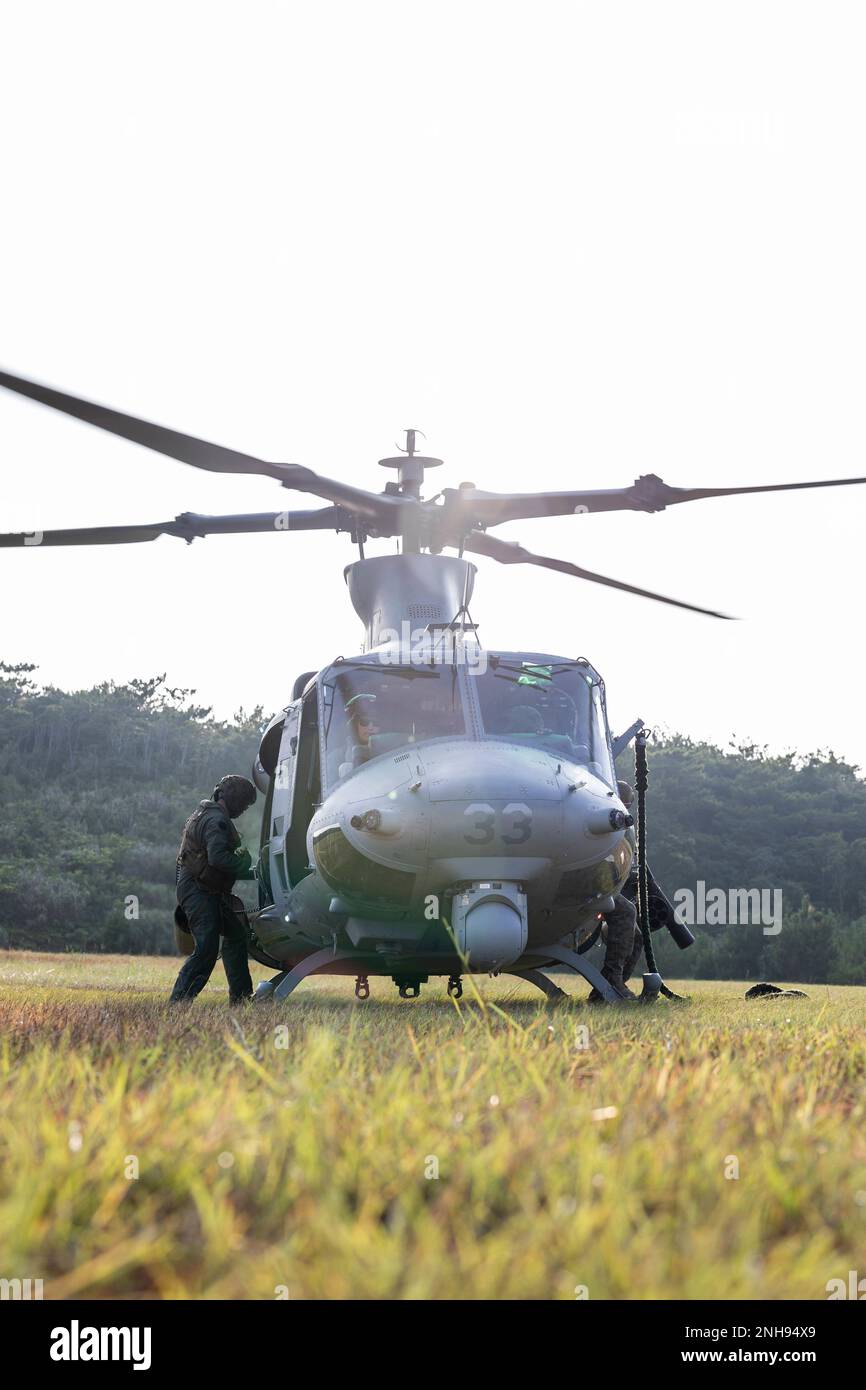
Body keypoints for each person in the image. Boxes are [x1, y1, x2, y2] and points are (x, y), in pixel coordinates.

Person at [169, 775, 258, 1006]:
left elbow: (213, 861)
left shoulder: (205, 814)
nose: (244, 810)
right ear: (235, 799)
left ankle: (240, 999)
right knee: (207, 948)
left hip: (204, 889)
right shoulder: (216, 820)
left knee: (237, 935)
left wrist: (254, 873)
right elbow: (219, 859)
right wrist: (245, 865)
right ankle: (178, 1003)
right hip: (200, 891)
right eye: (245, 804)